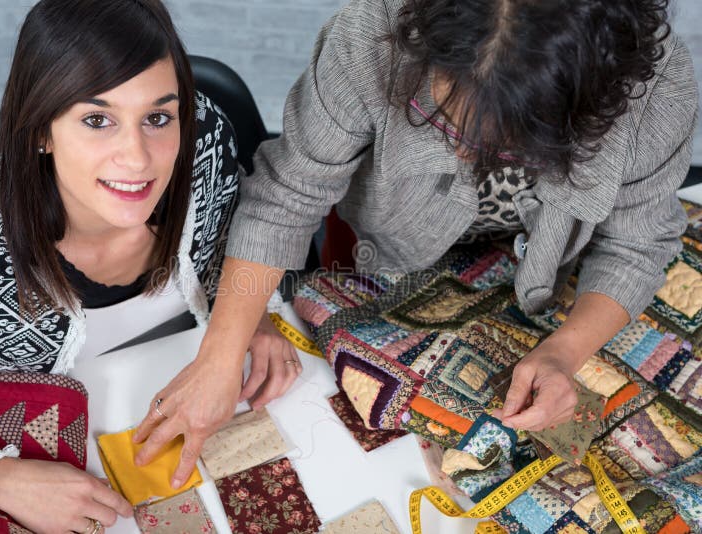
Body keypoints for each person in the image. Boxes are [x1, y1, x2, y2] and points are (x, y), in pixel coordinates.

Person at [134, 0, 699, 487]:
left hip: (546, 272)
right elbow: (288, 197)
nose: (463, 155)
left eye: (508, 145)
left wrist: (563, 351)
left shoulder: (655, 90)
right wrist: (219, 355)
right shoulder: (370, 36)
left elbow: (638, 244)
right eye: (449, 123)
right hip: (379, 254)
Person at [0, 0, 296, 531]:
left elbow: (239, 243)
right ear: (40, 128)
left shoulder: (203, 144)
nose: (137, 158)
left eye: (157, 117)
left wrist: (253, 314)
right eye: (96, 120)